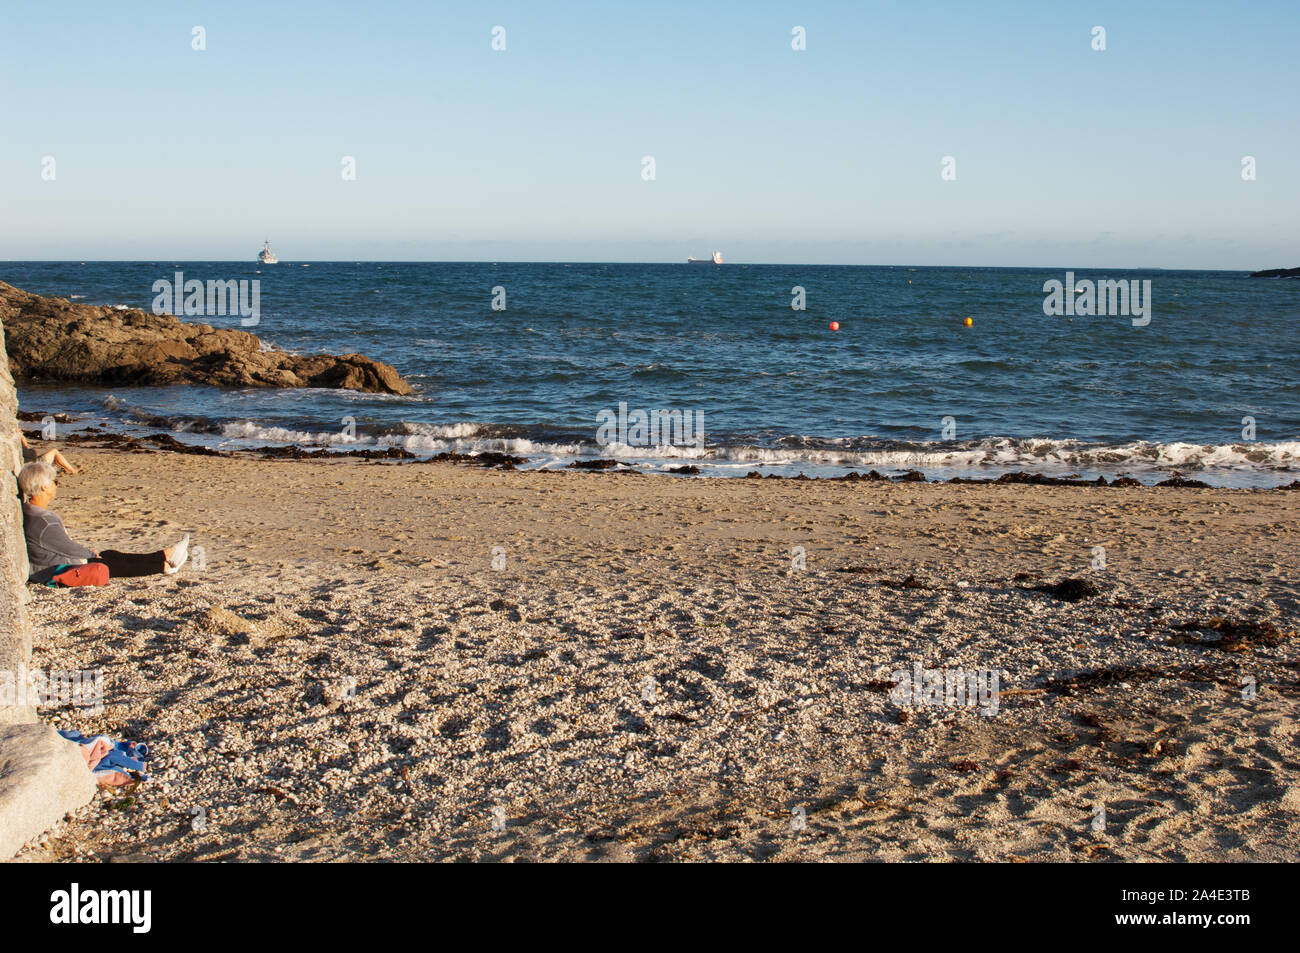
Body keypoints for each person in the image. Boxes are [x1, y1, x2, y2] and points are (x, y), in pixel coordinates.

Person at [16, 461, 189, 586]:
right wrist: (90, 553)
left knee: (110, 554)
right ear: (44, 487)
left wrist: (91, 553)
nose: (56, 485)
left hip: (46, 565)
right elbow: (66, 547)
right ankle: (164, 563)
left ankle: (165, 557)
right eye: (55, 482)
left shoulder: (28, 511)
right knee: (108, 563)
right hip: (53, 570)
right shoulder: (45, 520)